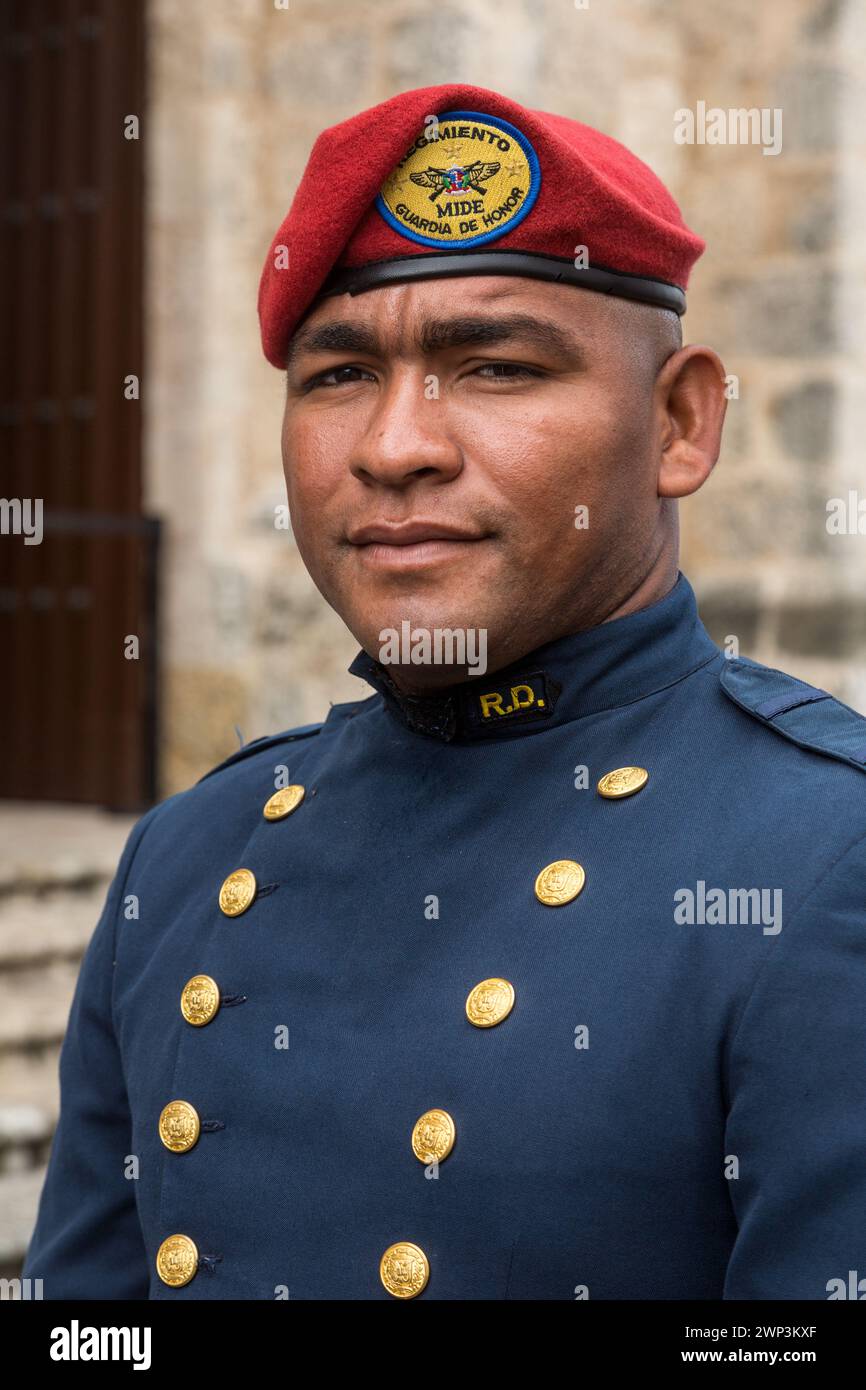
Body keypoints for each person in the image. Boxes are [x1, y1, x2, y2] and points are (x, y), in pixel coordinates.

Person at [23, 83, 866, 1301]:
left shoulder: (817, 858)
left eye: (495, 367)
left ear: (679, 423)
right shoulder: (188, 856)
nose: (393, 444)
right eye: (337, 375)